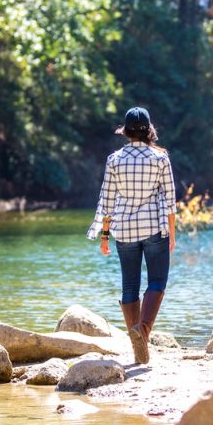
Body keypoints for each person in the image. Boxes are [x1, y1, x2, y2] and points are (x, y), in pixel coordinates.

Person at [87, 106, 176, 365]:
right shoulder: (160, 158)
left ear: (125, 131)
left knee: (129, 285)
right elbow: (170, 200)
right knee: (157, 281)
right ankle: (143, 331)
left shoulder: (114, 159)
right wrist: (172, 233)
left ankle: (137, 344)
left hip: (124, 229)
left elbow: (107, 199)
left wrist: (104, 235)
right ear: (149, 130)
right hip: (153, 227)